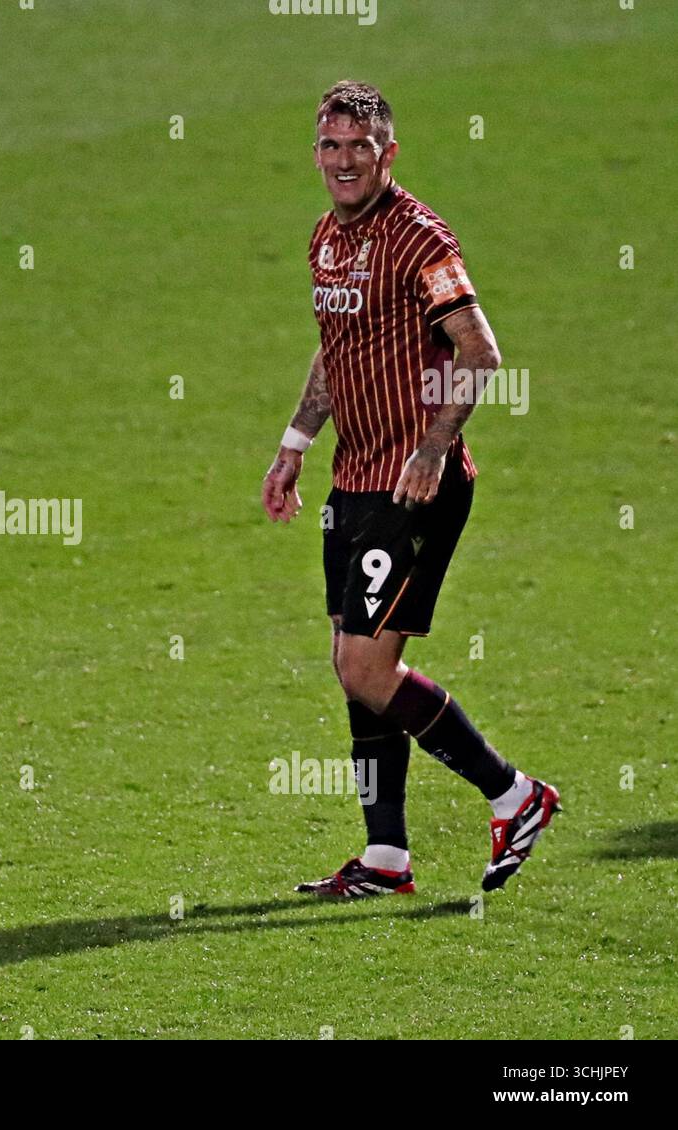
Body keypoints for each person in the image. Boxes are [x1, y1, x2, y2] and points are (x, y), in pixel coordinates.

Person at [261, 80, 560, 897]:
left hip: (413, 486)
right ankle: (387, 856)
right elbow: (338, 348)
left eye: (360, 147)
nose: (344, 161)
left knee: (366, 667)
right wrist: (294, 444)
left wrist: (434, 447)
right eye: (331, 146)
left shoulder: (419, 238)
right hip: (353, 480)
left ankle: (514, 794)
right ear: (316, 153)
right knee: (351, 661)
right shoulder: (326, 238)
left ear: (387, 153)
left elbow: (480, 350)